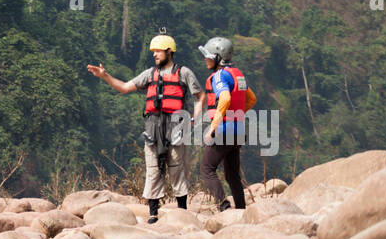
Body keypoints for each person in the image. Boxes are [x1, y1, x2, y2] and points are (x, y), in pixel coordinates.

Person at [86, 33, 200, 223]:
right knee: (153, 170)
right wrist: (104, 76)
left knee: (177, 169)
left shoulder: (184, 73)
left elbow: (200, 96)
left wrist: (193, 120)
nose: (154, 54)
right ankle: (153, 214)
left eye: (158, 51)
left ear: (169, 52)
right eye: (153, 51)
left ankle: (182, 213)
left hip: (177, 126)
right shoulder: (149, 74)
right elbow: (123, 87)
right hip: (153, 127)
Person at [197, 35, 257, 211]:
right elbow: (252, 99)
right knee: (232, 175)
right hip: (238, 131)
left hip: (223, 130)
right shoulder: (238, 75)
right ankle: (241, 210)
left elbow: (224, 97)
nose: (206, 59)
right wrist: (236, 116)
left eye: (208, 55)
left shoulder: (219, 76)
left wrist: (214, 126)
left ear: (218, 57)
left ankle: (223, 206)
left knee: (207, 169)